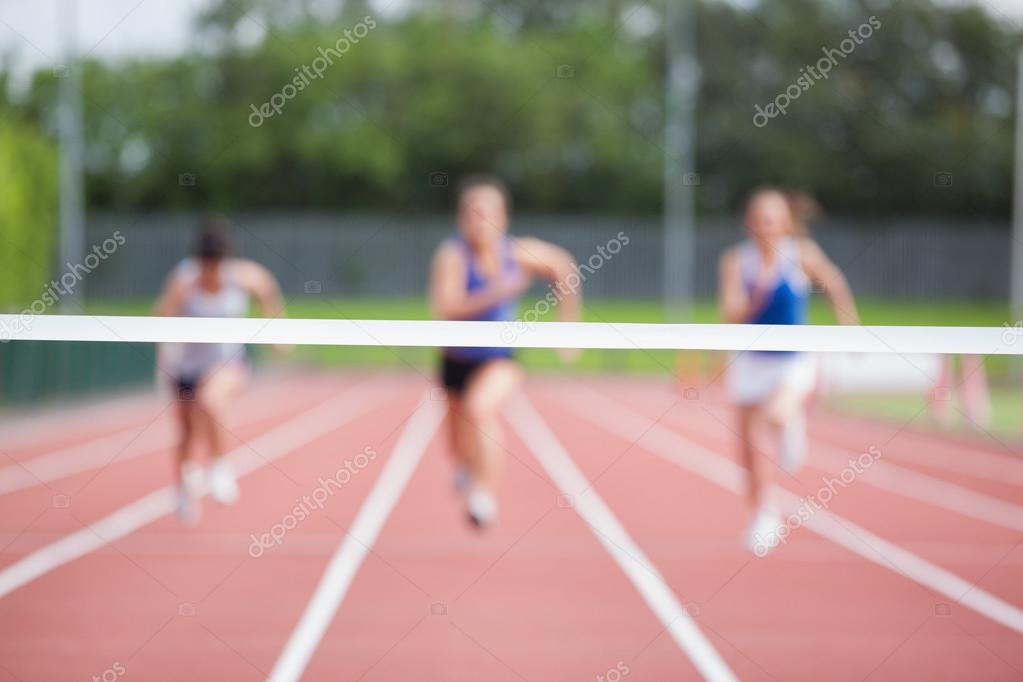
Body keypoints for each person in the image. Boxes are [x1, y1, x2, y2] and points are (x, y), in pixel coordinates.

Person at [429, 175, 581, 527]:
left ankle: (484, 494)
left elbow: (564, 267)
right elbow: (446, 306)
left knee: (480, 410)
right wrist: (498, 291)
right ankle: (467, 467)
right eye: (472, 212)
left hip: (499, 358)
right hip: (455, 358)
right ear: (460, 217)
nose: (479, 219)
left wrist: (568, 328)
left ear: (504, 217)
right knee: (455, 446)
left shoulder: (517, 251)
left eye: (488, 212)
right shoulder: (453, 255)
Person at [718, 188, 858, 554]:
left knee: (776, 413)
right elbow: (729, 315)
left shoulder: (802, 255)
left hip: (792, 360)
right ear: (749, 222)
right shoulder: (736, 260)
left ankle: (790, 422)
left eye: (773, 217)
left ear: (785, 222)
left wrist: (851, 329)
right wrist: (756, 299)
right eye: (759, 216)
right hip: (750, 360)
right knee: (748, 450)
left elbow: (835, 284)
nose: (766, 224)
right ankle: (765, 514)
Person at [154, 216, 286, 523]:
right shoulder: (183, 280)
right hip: (186, 366)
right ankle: (183, 492)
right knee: (186, 433)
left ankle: (219, 465)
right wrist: (163, 342)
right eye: (206, 266)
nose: (211, 273)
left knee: (211, 399)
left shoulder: (242, 276)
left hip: (227, 363)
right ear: (198, 261)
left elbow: (268, 289)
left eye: (216, 266)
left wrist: (277, 332)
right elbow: (159, 318)